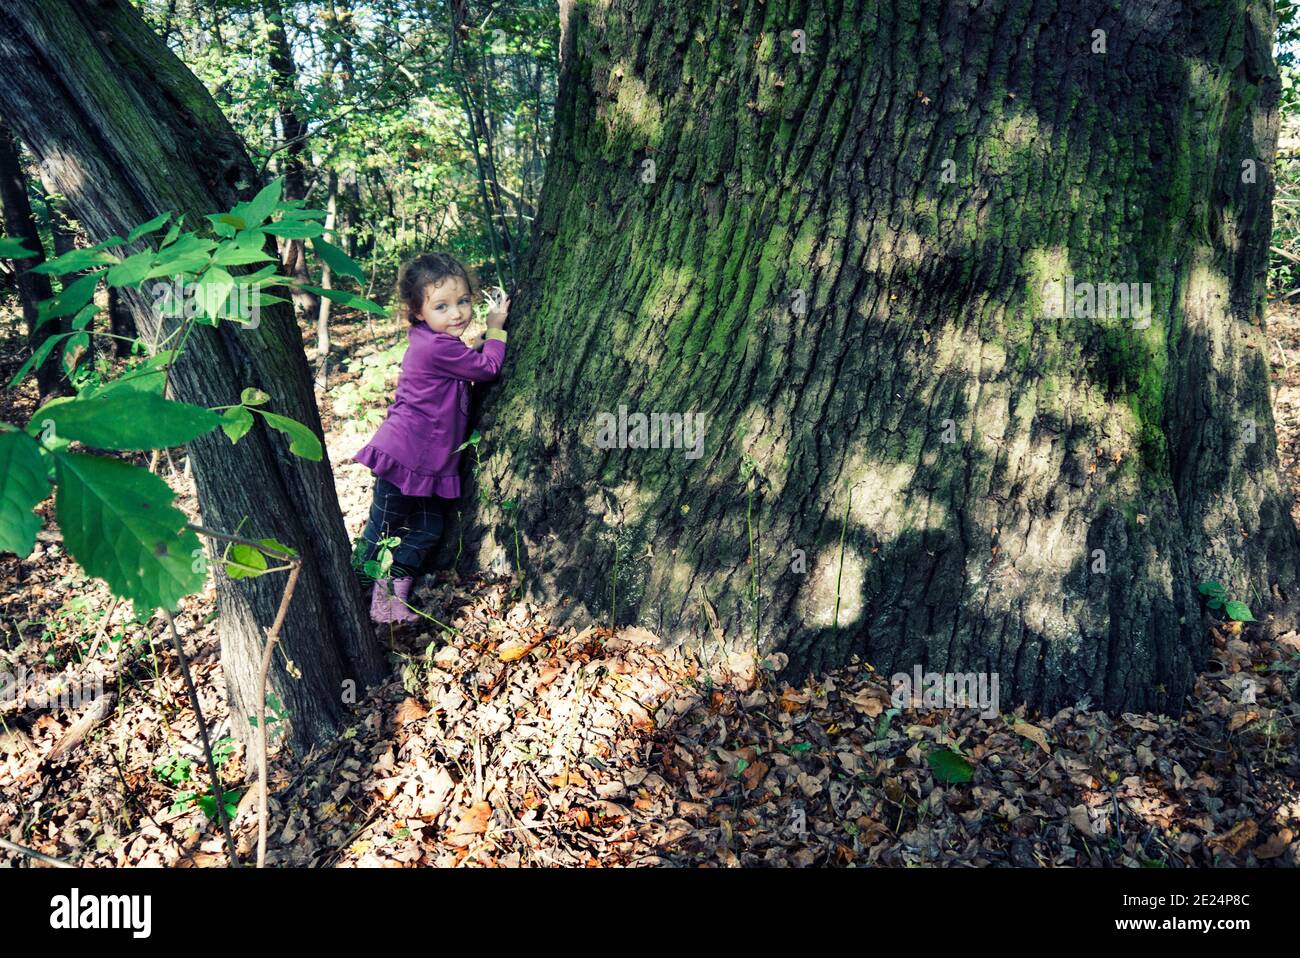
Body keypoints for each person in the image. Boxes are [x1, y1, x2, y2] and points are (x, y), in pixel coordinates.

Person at [352, 252, 509, 624]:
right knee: (383, 528)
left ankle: (389, 598)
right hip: (405, 458)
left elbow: (462, 364)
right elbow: (488, 368)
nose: (456, 313)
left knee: (428, 528)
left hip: (426, 463)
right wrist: (497, 328)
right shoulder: (436, 346)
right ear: (418, 312)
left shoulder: (435, 343)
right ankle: (358, 588)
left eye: (463, 302)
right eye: (442, 306)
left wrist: (482, 340)